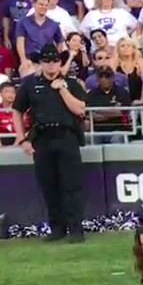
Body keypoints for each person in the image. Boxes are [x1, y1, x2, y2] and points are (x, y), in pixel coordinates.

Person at [11, 44, 89, 243]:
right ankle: (57, 228)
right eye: (47, 60)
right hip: (42, 138)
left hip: (67, 136)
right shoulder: (30, 84)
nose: (51, 64)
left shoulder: (71, 83)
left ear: (60, 62)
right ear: (41, 63)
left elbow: (80, 109)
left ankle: (76, 229)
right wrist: (22, 138)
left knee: (71, 185)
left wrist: (62, 90)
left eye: (55, 60)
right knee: (49, 185)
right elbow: (17, 110)